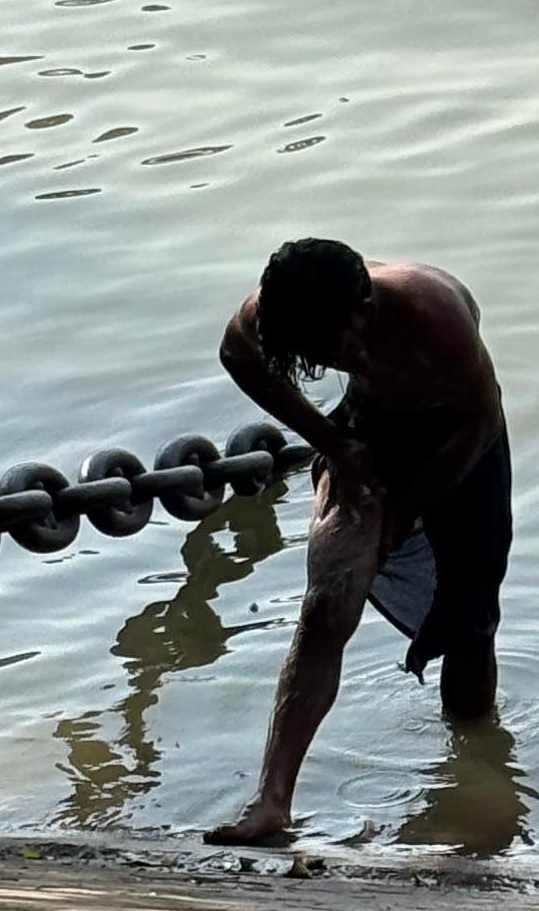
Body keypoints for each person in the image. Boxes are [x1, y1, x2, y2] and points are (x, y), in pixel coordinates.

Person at [205, 238, 510, 845]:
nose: (326, 359)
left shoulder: (433, 314)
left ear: (364, 310)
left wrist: (403, 516)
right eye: (308, 351)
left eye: (332, 346)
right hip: (367, 431)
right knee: (324, 607)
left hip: (461, 440)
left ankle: (476, 777)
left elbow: (479, 418)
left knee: (468, 625)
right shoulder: (273, 312)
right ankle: (271, 803)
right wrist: (334, 442)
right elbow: (237, 355)